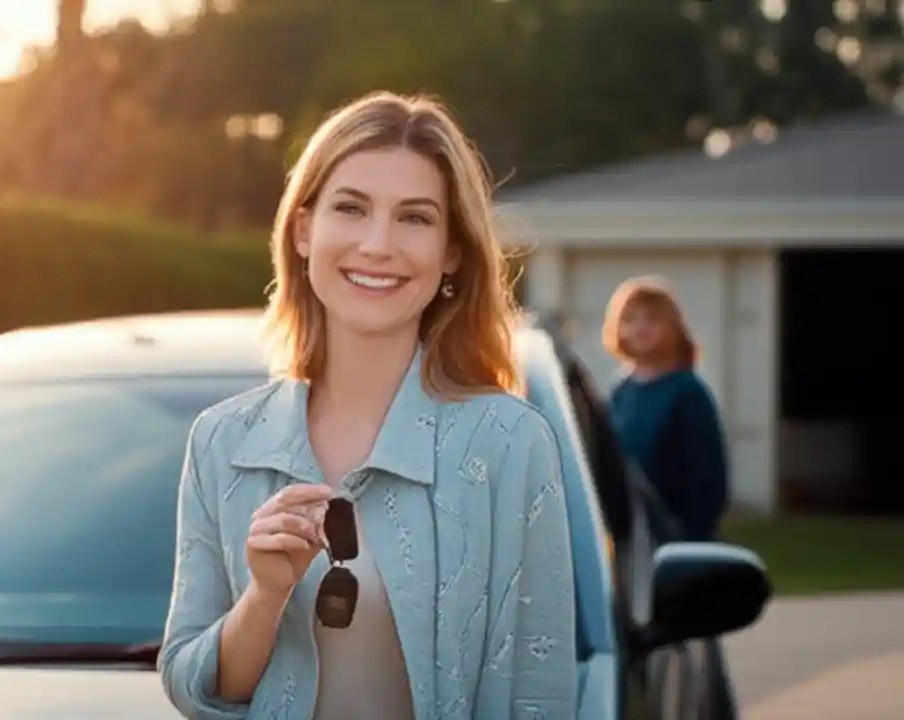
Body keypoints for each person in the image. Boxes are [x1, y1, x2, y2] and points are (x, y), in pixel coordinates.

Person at [158, 91, 576, 719]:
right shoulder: (221, 441)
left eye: (415, 218)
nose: (378, 244)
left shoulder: (510, 444)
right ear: (304, 231)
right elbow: (194, 688)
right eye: (351, 208)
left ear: (452, 252)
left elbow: (538, 697)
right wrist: (265, 597)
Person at [602, 276, 730, 542]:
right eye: (630, 319)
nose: (640, 327)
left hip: (677, 536)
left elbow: (708, 479)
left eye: (651, 318)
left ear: (673, 326)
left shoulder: (688, 392)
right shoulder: (620, 392)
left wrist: (691, 538)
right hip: (627, 535)